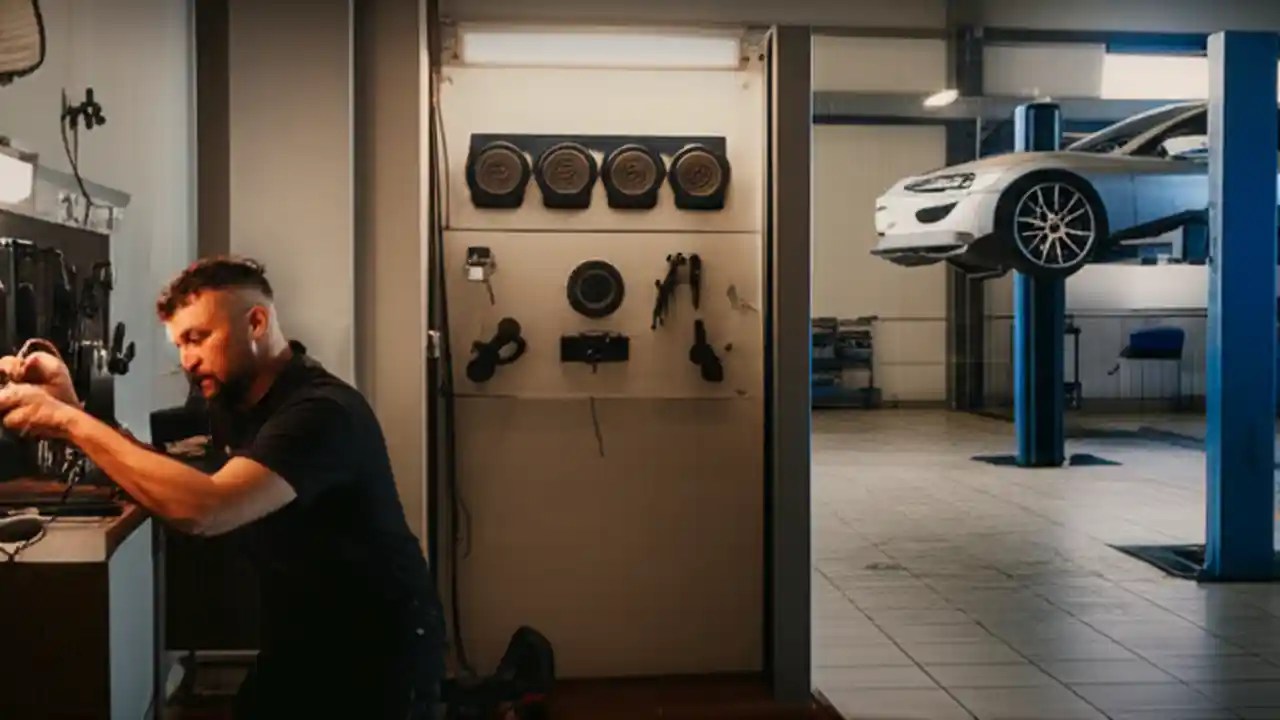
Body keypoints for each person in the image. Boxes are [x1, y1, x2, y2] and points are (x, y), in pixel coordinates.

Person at [0, 256, 445, 719]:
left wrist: (67, 422)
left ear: (256, 322)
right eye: (179, 344)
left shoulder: (320, 413)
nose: (186, 359)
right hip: (298, 635)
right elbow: (179, 477)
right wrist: (75, 407)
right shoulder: (235, 397)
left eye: (197, 337)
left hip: (376, 649)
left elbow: (206, 509)